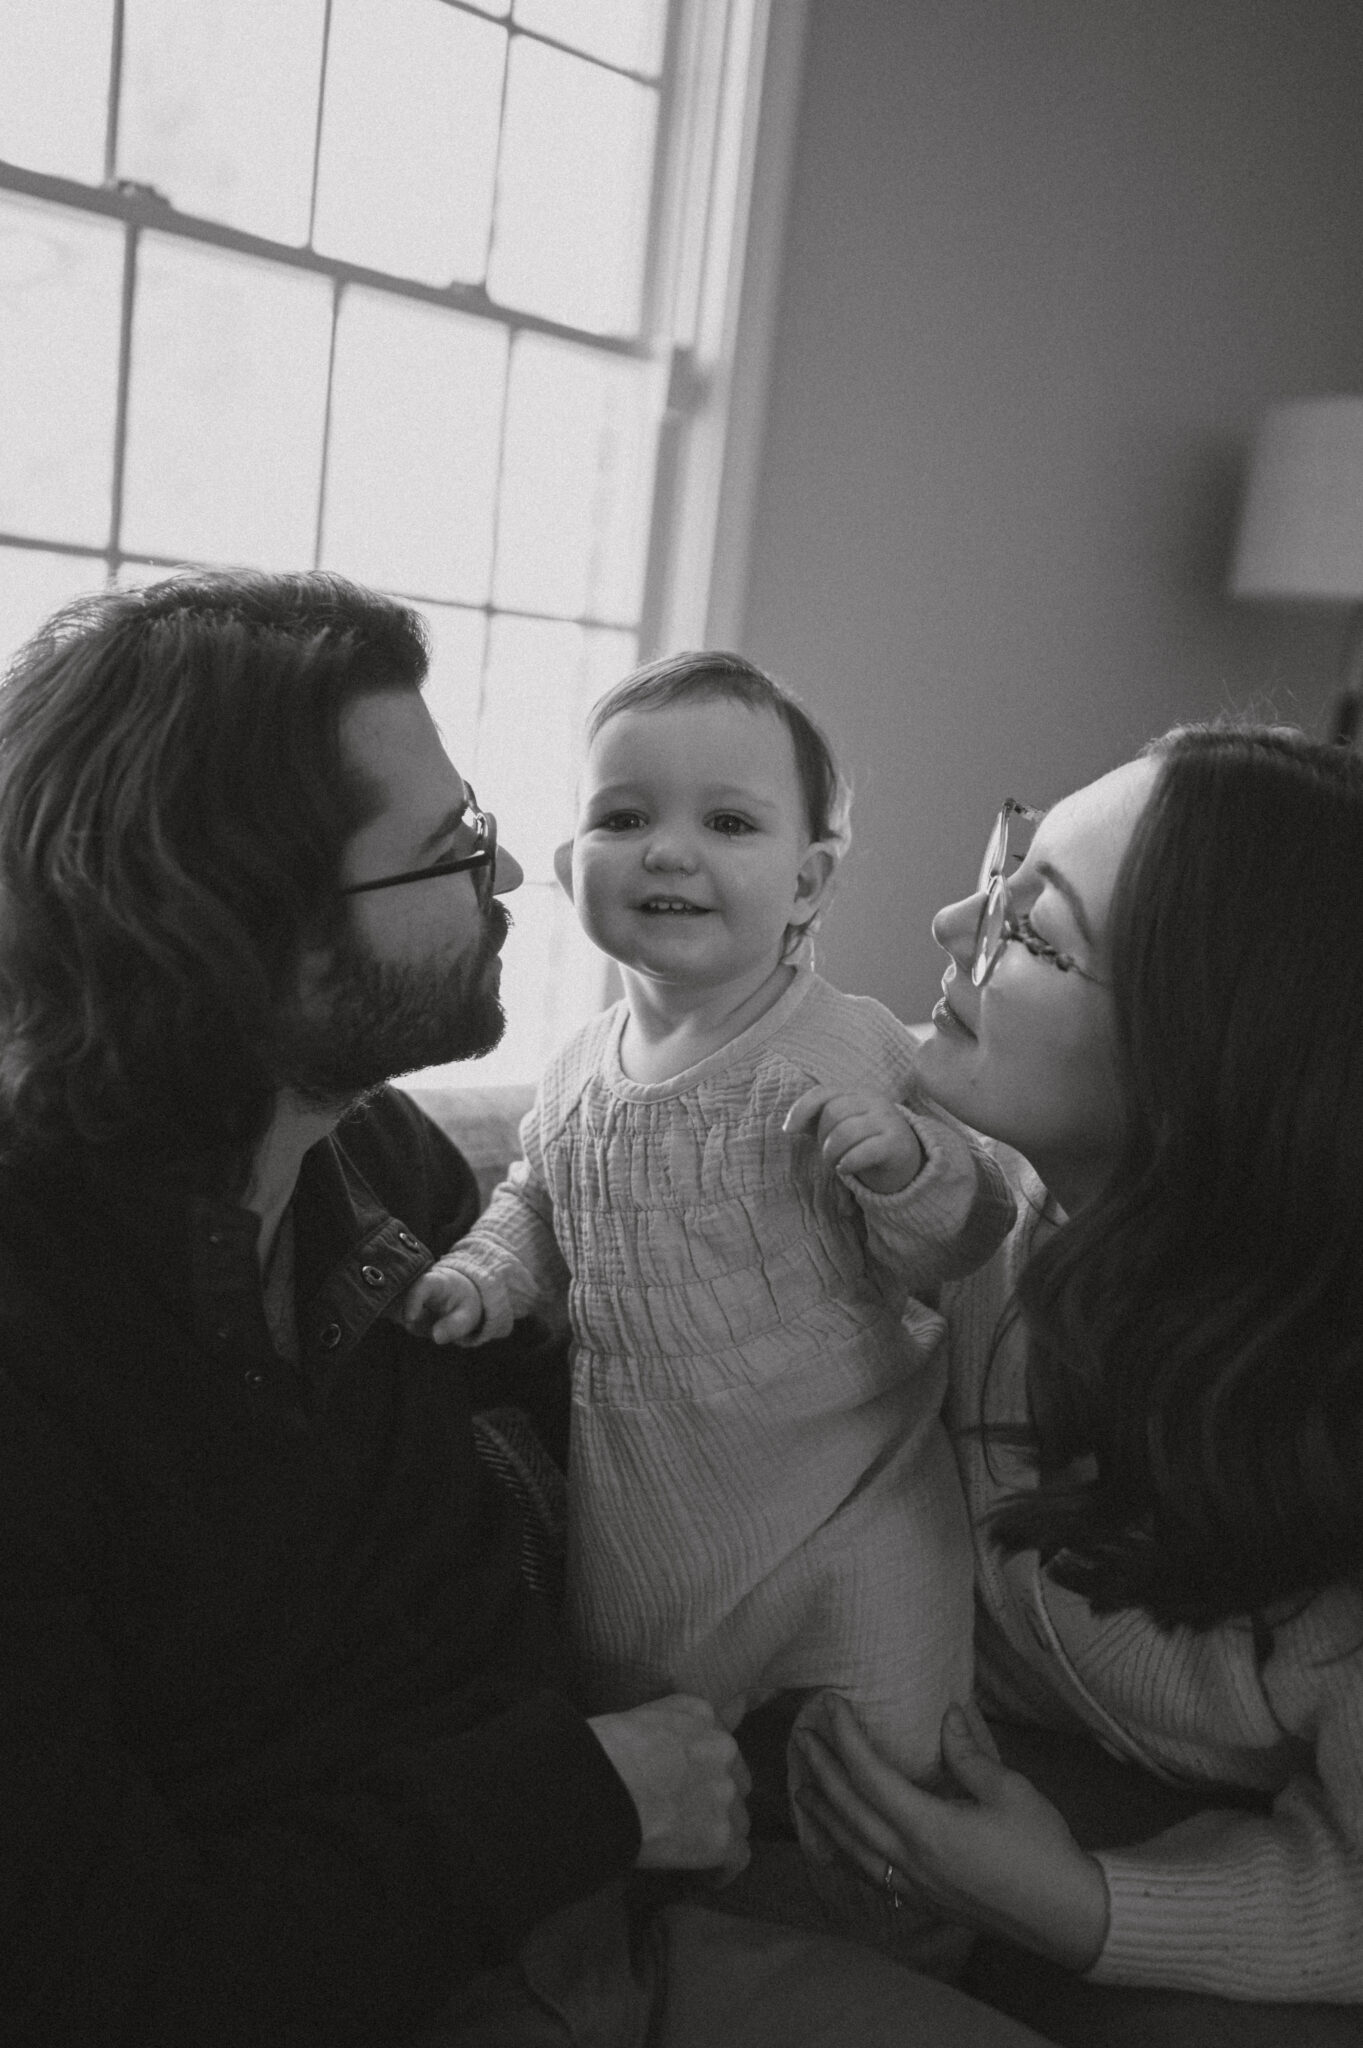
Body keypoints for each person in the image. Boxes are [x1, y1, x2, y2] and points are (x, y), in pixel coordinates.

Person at [0, 570, 1049, 2048]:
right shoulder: (47, 1350)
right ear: (259, 935)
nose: (504, 881)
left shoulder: (369, 1160)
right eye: (448, 853)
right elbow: (91, 1978)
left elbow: (644, 1371)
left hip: (604, 1914)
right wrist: (580, 1797)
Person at [790, 724, 1363, 2045]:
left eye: (1030, 930)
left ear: (1204, 1062)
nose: (945, 921)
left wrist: (1076, 1906)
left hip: (1212, 1874)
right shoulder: (961, 1217)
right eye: (1005, 863)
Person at [402, 652, 1015, 1809]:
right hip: (650, 1503)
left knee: (893, 1748)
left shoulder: (850, 1045)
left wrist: (908, 1167)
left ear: (807, 881)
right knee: (645, 1724)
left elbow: (964, 1235)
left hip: (851, 1498)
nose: (668, 850)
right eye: (623, 817)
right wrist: (487, 1270)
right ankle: (683, 1897)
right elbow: (540, 1194)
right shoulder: (578, 1067)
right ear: (574, 864)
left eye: (728, 821)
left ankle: (907, 1926)